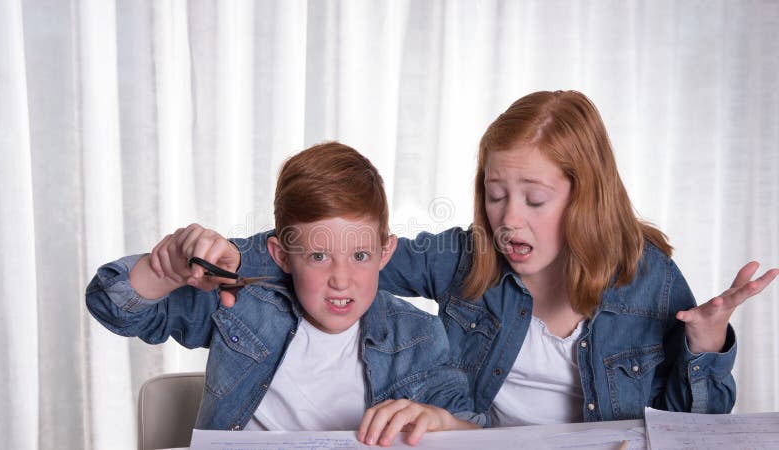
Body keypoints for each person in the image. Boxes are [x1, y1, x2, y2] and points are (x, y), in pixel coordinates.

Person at [241, 91, 778, 444]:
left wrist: (705, 346)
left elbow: (696, 432)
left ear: (584, 198)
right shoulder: (465, 257)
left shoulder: (650, 279)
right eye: (496, 195)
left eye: (535, 200)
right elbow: (340, 247)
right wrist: (217, 257)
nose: (509, 220)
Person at [85, 142, 482, 444]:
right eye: (318, 256)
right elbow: (113, 305)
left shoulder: (418, 336)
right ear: (282, 256)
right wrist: (166, 268)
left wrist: (444, 422)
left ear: (385, 253)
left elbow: (471, 430)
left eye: (359, 255)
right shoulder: (242, 306)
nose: (340, 279)